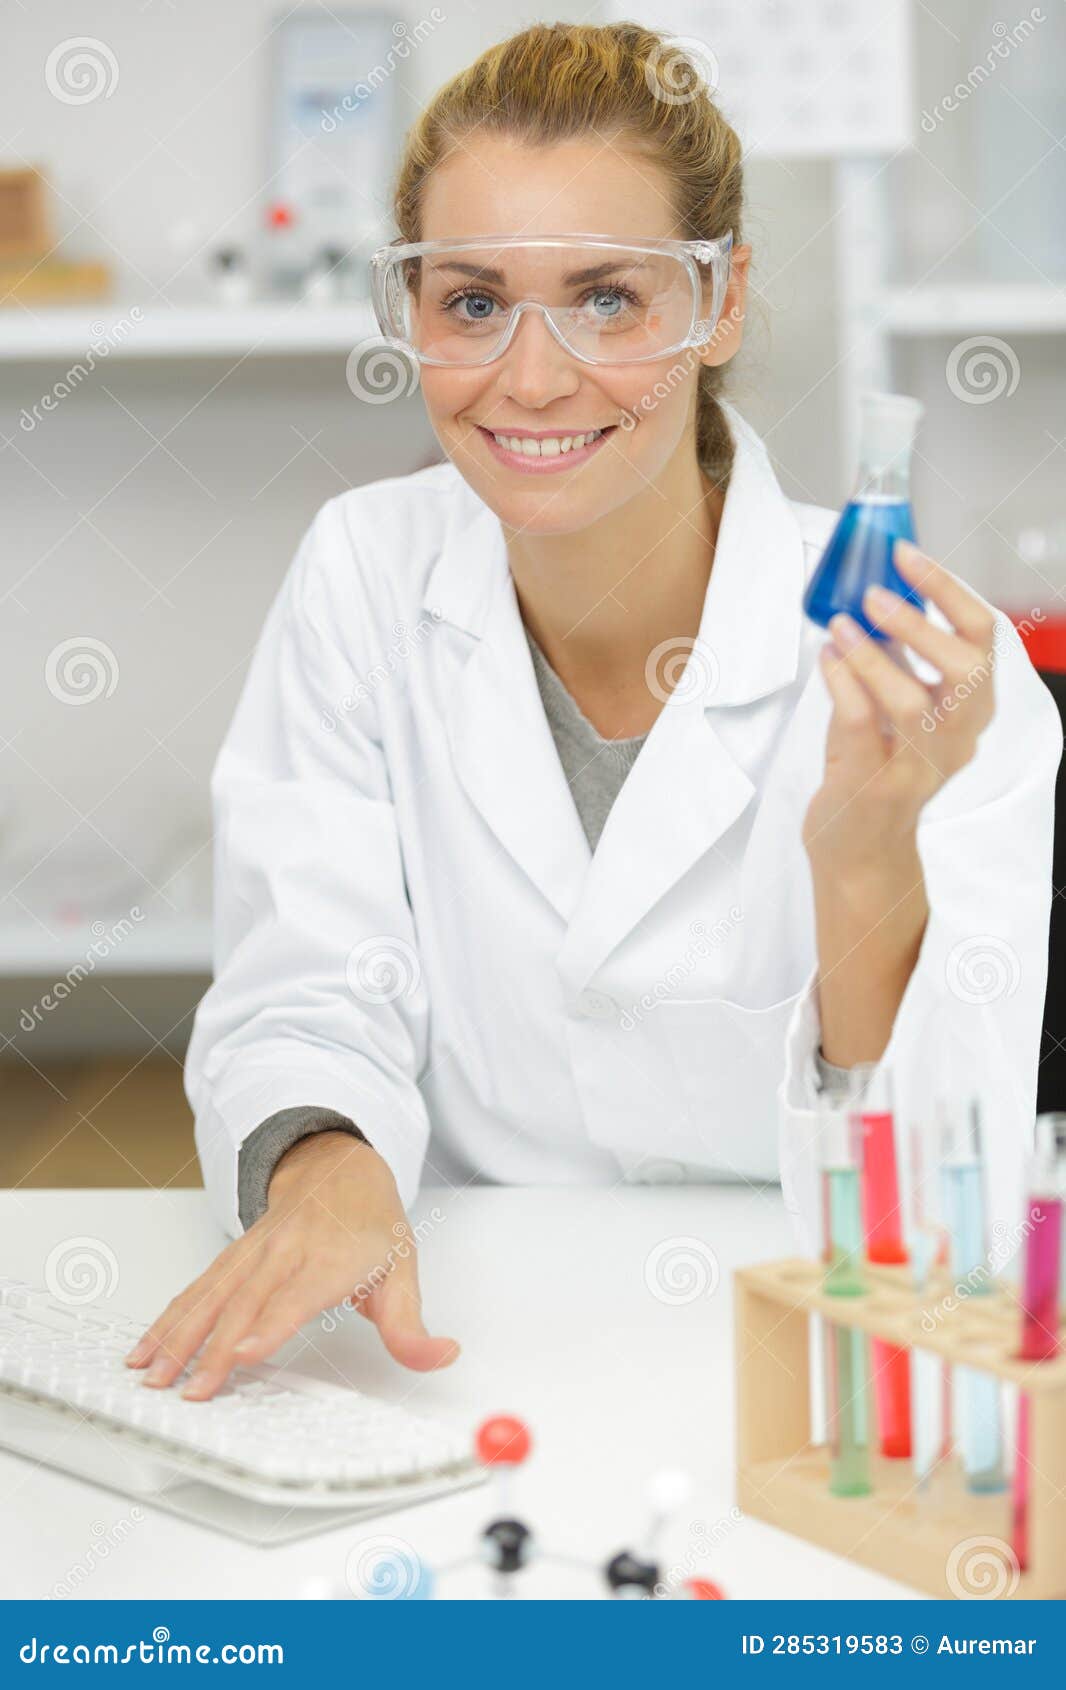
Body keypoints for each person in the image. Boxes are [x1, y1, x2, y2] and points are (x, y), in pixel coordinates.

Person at [126, 22, 1061, 1401]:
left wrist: (863, 871)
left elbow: (946, 1226)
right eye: (472, 302)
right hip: (452, 1351)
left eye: (607, 299)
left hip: (806, 1374)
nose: (532, 377)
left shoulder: (931, 676)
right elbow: (305, 982)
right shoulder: (364, 574)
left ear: (720, 302)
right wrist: (328, 1170)